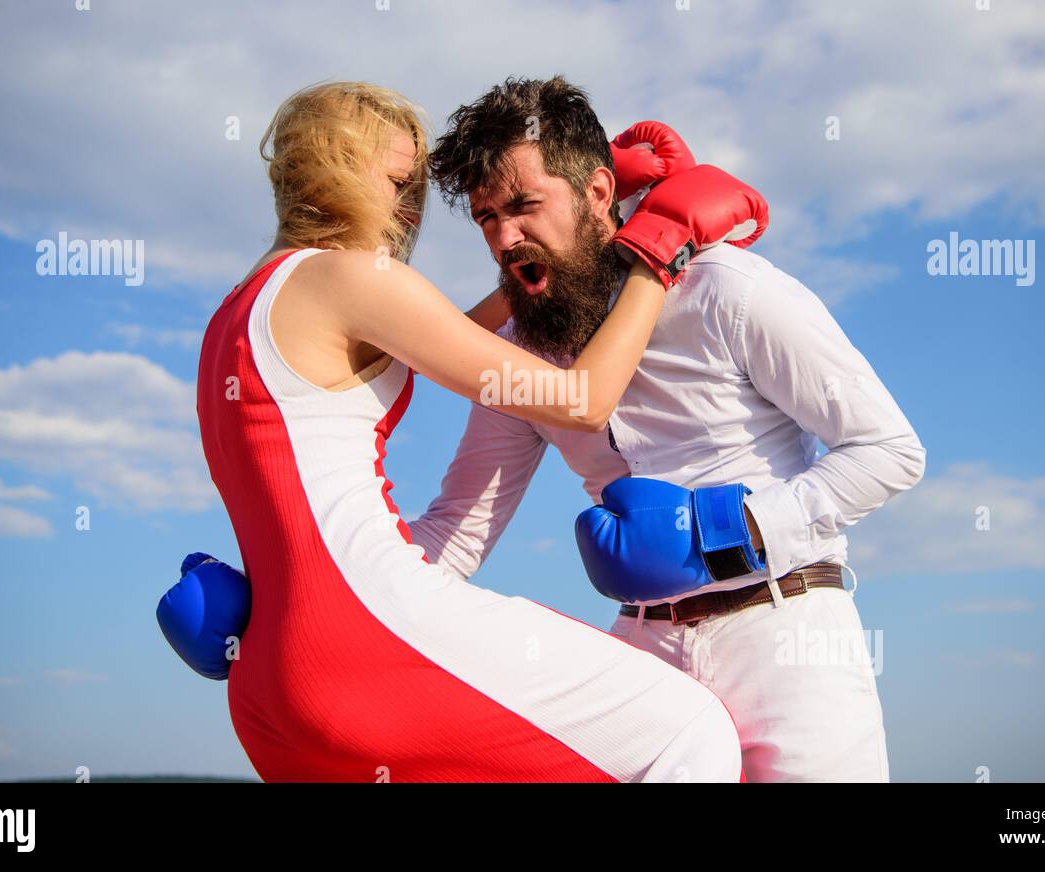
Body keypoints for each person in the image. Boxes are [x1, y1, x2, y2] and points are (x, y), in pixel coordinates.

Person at [175, 80, 765, 782]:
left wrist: (590, 232)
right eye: (397, 181)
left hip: (271, 683)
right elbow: (582, 401)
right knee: (687, 730)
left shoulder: (242, 307)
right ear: (336, 167)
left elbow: (452, 335)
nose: (407, 208)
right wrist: (655, 250)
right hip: (369, 636)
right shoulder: (356, 278)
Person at [406, 77, 927, 782]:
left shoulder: (729, 291)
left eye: (526, 205)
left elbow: (889, 449)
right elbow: (454, 534)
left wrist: (733, 529)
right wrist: (296, 597)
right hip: (642, 654)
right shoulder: (521, 359)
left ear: (597, 193)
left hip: (788, 639)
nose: (504, 236)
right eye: (486, 217)